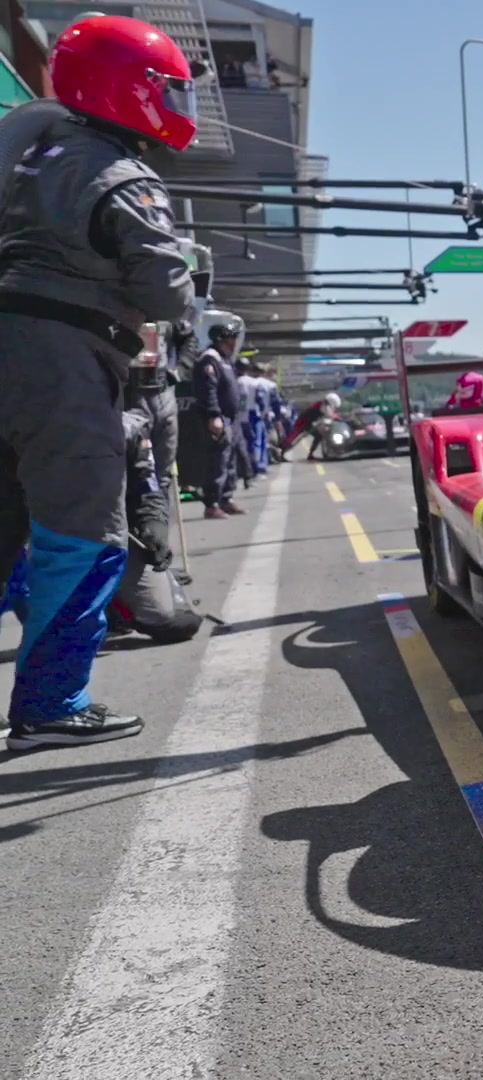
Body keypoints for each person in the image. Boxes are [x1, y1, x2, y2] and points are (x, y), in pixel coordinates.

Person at [0, 14, 198, 749]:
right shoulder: (121, 173)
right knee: (81, 536)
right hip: (64, 364)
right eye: (170, 93)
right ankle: (51, 706)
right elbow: (166, 292)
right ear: (134, 91)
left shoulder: (22, 147)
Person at [105, 387, 200, 643]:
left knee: (179, 622)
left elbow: (148, 491)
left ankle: (116, 603)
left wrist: (153, 526)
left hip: (111, 539)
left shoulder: (130, 429)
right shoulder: (26, 423)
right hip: (46, 546)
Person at [189, 320, 246, 518]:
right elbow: (208, 390)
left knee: (229, 461)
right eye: (231, 339)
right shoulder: (210, 359)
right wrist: (214, 415)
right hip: (218, 418)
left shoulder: (225, 360)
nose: (234, 344)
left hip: (231, 418)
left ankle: (226, 498)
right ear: (222, 339)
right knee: (217, 462)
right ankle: (212, 504)